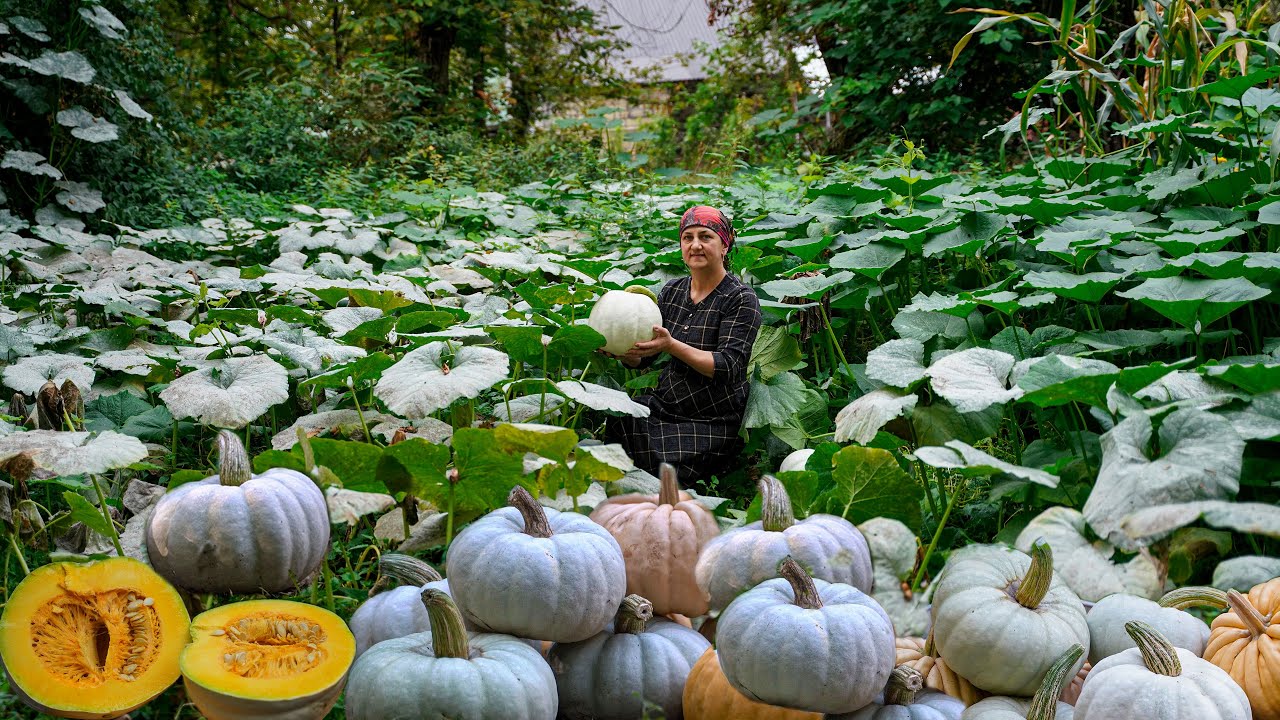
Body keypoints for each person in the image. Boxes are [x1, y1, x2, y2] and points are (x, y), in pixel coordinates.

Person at [603, 205, 762, 486]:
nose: (696, 245)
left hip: (712, 418)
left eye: (706, 237)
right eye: (688, 238)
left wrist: (672, 345)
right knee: (618, 417)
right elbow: (647, 357)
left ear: (724, 245)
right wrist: (624, 354)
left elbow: (729, 367)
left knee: (661, 464)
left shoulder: (740, 299)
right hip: (666, 404)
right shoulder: (673, 290)